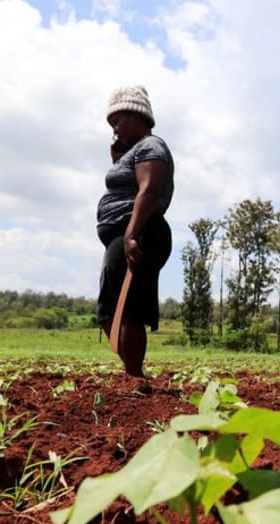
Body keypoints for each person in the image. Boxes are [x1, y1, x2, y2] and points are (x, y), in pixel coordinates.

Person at [96, 85, 173, 386]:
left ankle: (134, 376)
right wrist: (118, 157)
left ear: (138, 116)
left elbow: (149, 190)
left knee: (128, 308)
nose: (114, 127)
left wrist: (131, 234)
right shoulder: (134, 151)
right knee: (109, 310)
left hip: (141, 231)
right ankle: (134, 373)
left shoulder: (151, 145)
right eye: (111, 122)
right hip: (126, 232)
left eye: (119, 120)